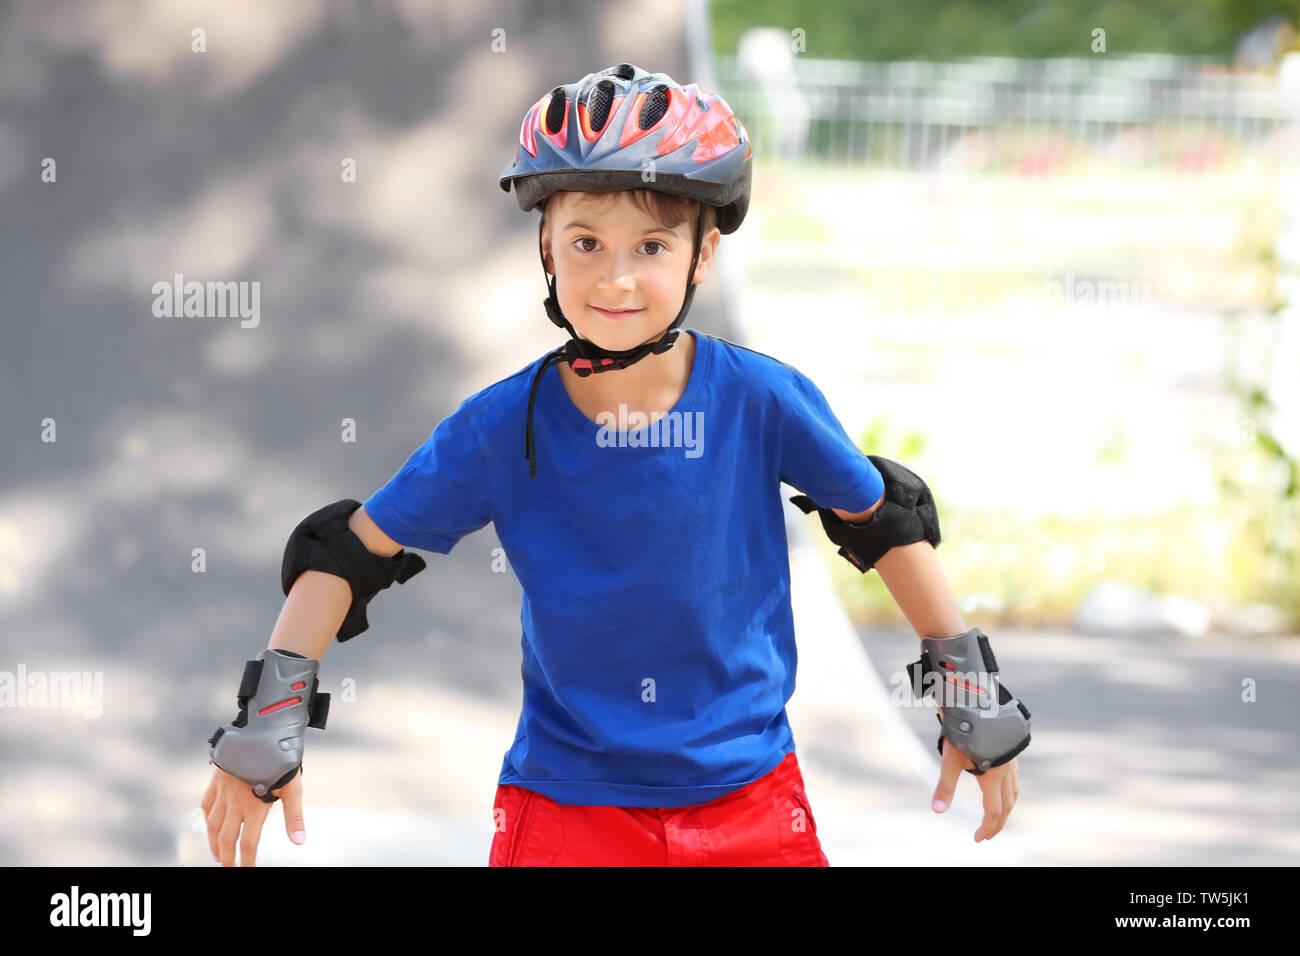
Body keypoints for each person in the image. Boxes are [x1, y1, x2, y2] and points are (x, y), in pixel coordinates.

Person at [200, 63, 1025, 867]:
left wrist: (969, 697)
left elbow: (886, 520)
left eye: (654, 245)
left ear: (703, 257)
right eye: (586, 241)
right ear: (546, 249)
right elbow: (346, 552)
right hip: (565, 809)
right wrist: (268, 724)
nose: (618, 277)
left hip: (750, 803)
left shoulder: (761, 400)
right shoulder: (502, 424)